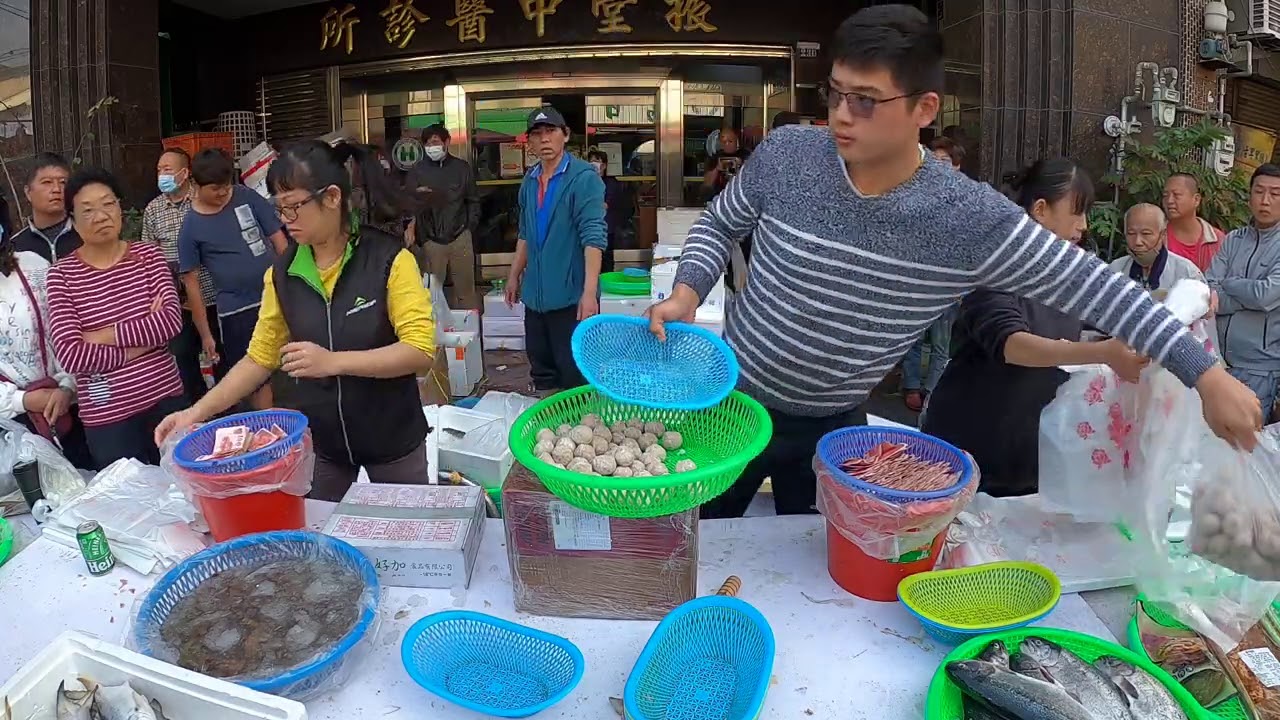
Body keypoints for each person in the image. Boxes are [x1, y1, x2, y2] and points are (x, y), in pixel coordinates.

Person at [646, 4, 1261, 519]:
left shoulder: (970, 219)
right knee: (701, 545)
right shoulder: (788, 155)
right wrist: (687, 292)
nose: (838, 114)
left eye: (865, 100)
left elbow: (1099, 290)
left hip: (835, 431)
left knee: (819, 575)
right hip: (726, 405)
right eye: (834, 93)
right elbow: (721, 222)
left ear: (924, 109)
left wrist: (1206, 375)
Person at [155, 141, 437, 503]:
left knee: (407, 535)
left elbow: (419, 351)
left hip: (393, 437)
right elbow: (259, 358)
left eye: (293, 208)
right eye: (279, 208)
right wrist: (194, 413)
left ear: (332, 197)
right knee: (321, 539)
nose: (285, 221)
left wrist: (333, 362)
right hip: (322, 445)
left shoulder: (387, 260)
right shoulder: (283, 274)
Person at [922, 160, 1146, 496]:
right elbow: (1013, 345)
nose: (1084, 225)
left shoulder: (1070, 273)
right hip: (968, 450)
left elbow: (1117, 310)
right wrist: (1102, 352)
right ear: (1041, 209)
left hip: (1030, 454)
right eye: (1077, 211)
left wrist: (1185, 305)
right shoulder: (994, 265)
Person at [47, 168, 186, 467]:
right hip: (109, 418)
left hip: (166, 400)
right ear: (72, 218)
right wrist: (145, 343)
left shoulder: (149, 257)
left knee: (185, 495)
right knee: (129, 506)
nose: (101, 216)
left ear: (119, 207)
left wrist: (102, 335)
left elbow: (170, 322)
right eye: (88, 210)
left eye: (108, 204)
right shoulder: (61, 276)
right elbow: (72, 355)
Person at [505, 106, 606, 395]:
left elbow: (593, 239)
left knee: (573, 374)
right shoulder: (530, 179)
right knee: (542, 370)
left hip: (569, 300)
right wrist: (514, 275)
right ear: (530, 143)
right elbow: (525, 233)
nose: (544, 139)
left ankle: (578, 429)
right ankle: (550, 428)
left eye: (550, 131)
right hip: (535, 299)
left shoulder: (584, 178)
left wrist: (589, 294)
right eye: (536, 134)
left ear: (566, 135)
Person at [177, 148, 287, 410]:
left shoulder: (246, 197)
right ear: (195, 185)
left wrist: (290, 285)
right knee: (256, 377)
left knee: (292, 363)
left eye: (226, 187)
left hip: (275, 296)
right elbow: (192, 287)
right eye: (216, 189)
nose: (223, 193)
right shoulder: (190, 228)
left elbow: (279, 241)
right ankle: (270, 429)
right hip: (236, 310)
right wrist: (205, 334)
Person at [0, 239, 94, 469]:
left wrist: (67, 385)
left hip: (69, 405)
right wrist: (23, 400)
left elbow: (67, 328)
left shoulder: (34, 266)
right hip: (12, 423)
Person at [141, 148, 222, 403]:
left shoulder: (203, 201)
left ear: (185, 173)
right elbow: (149, 257)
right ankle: (196, 410)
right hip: (177, 301)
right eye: (158, 170)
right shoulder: (153, 210)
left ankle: (227, 408)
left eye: (167, 169)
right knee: (184, 359)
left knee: (221, 356)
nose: (161, 174)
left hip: (213, 295)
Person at [1207, 164, 1280, 419]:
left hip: (1259, 368)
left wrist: (1231, 283)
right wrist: (1244, 295)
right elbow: (1209, 292)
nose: (1265, 200)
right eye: (1259, 191)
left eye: (1275, 194)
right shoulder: (1234, 239)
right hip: (1218, 363)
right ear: (1249, 196)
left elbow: (1265, 295)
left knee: (1247, 446)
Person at [901, 136, 967, 412]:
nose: (939, 166)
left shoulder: (966, 201)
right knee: (912, 340)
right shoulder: (914, 194)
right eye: (935, 160)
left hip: (947, 286)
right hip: (916, 283)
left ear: (957, 166)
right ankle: (912, 386)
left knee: (941, 344)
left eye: (946, 161)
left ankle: (931, 390)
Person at [408, 124, 479, 309]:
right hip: (431, 240)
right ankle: (434, 336)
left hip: (460, 237)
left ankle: (469, 332)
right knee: (431, 294)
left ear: (447, 142)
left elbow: (473, 200)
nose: (432, 147)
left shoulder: (462, 168)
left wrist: (469, 227)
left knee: (466, 293)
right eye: (428, 143)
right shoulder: (417, 171)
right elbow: (410, 206)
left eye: (436, 142)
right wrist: (422, 237)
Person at [1108, 203, 1204, 297]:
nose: (1138, 242)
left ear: (1163, 234)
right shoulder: (1115, 270)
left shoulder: (1187, 273)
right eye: (1131, 233)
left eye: (1146, 234)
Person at [11, 153, 81, 263]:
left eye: (63, 182)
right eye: (47, 182)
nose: (57, 189)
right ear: (28, 192)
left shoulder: (86, 235)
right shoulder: (15, 248)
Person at [1164, 173, 1224, 272]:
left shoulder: (1217, 240)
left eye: (1177, 195)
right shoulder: (1157, 237)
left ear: (1196, 200)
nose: (1169, 200)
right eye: (1165, 196)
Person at [587, 148, 630, 274]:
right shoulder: (584, 182)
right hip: (588, 227)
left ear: (604, 165)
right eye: (591, 161)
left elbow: (604, 205)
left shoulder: (611, 183)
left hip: (606, 228)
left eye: (597, 161)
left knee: (606, 258)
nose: (594, 164)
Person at [701, 126, 748, 202]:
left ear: (736, 141)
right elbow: (707, 183)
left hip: (740, 198)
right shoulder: (715, 158)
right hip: (719, 198)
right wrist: (717, 169)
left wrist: (742, 166)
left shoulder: (746, 155)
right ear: (720, 142)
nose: (727, 144)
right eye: (724, 142)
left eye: (730, 141)